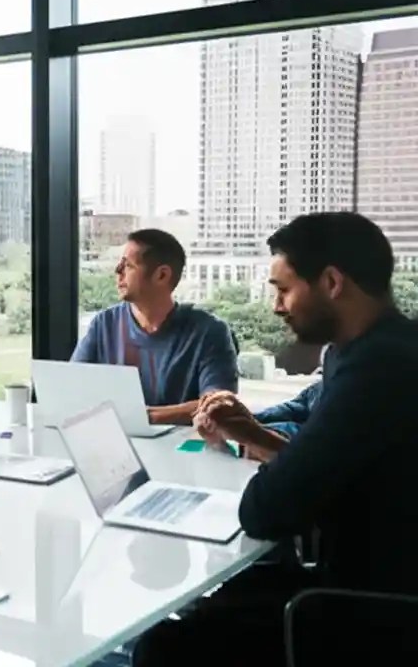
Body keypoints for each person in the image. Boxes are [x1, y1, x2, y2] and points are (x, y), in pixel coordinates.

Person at [133, 212, 418, 666]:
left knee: (163, 648)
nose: (276, 306)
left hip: (369, 611)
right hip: (363, 580)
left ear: (331, 282)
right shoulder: (378, 350)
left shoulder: (379, 370)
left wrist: (264, 452)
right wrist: (252, 434)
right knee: (215, 600)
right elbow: (332, 463)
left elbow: (265, 510)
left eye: (284, 289)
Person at [72, 229, 238, 425]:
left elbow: (219, 406)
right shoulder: (103, 325)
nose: (118, 271)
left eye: (128, 265)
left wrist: (141, 416)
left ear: (161, 275)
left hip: (184, 450)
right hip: (116, 445)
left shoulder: (209, 332)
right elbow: (74, 390)